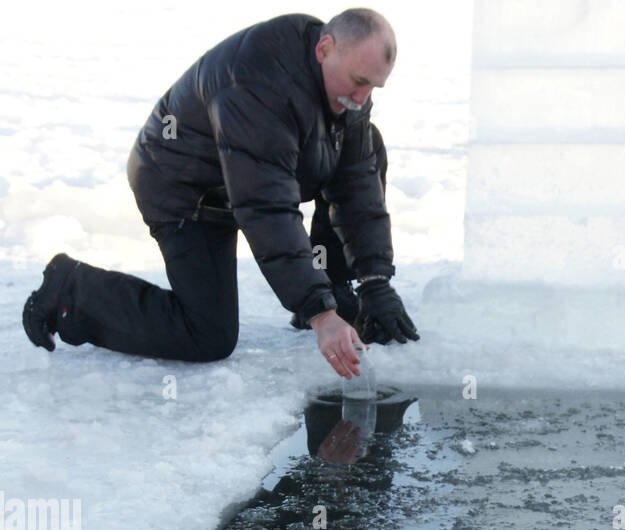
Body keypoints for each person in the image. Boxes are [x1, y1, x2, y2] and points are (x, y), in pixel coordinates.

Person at [21, 9, 418, 379]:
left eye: (374, 86)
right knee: (208, 335)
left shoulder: (342, 83)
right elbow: (266, 207)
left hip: (241, 176)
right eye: (360, 81)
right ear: (324, 49)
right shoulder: (257, 83)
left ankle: (335, 285)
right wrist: (318, 313)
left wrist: (374, 280)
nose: (363, 96)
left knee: (364, 143)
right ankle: (72, 291)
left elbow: (355, 180)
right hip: (184, 187)